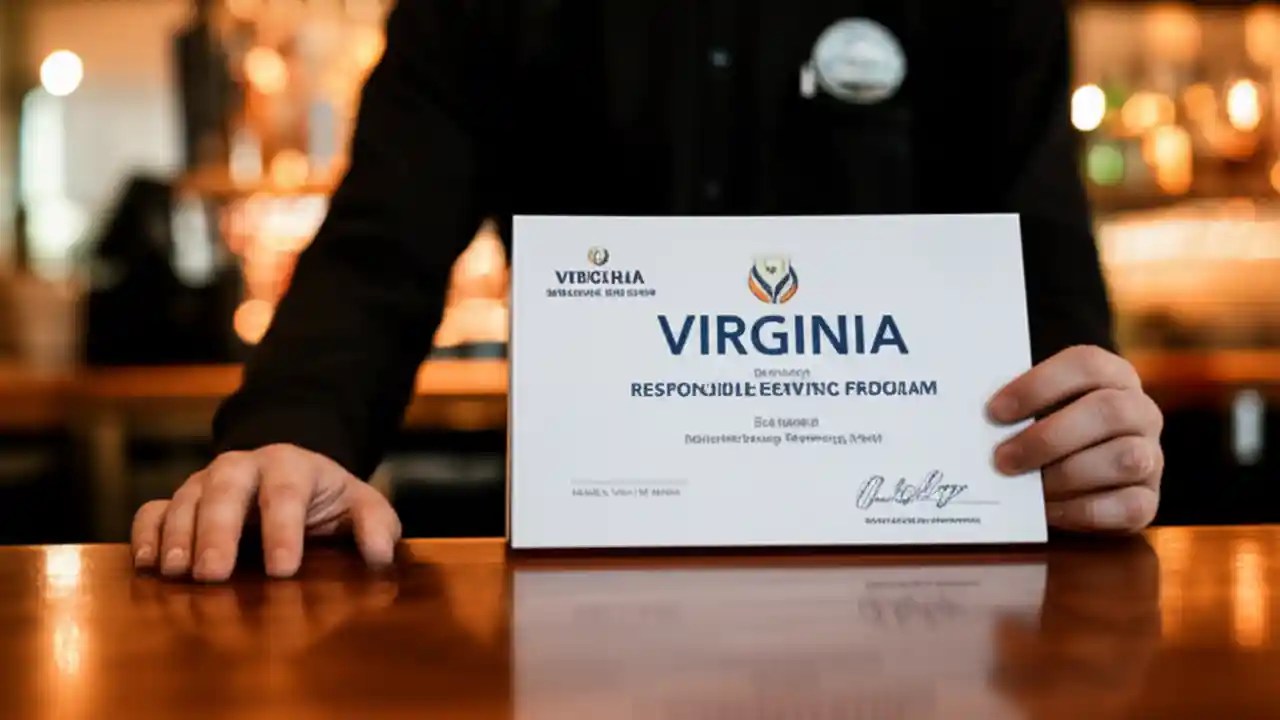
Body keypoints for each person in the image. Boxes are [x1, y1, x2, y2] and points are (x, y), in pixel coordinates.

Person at [131, 0, 1164, 582]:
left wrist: (1090, 434)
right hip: (586, 597)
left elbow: (1044, 273)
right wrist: (290, 438)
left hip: (915, 594)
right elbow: (378, 252)